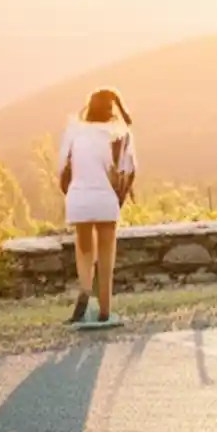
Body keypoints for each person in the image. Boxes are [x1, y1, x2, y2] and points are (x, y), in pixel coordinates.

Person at [57, 88, 137, 327]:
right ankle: (105, 310)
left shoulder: (73, 131)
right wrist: (118, 200)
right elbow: (127, 171)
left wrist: (72, 193)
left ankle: (84, 289)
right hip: (105, 197)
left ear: (88, 107)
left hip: (78, 198)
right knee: (106, 256)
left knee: (84, 250)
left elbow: (62, 169)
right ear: (112, 110)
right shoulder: (121, 134)